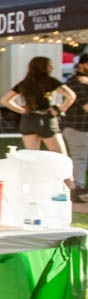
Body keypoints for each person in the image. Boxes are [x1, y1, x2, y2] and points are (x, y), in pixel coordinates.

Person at [0, 56, 75, 155]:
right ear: (43, 67)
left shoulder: (24, 83)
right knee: (60, 156)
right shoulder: (50, 81)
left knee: (32, 156)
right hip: (45, 118)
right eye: (49, 65)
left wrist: (22, 111)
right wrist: (60, 109)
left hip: (28, 120)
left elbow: (5, 100)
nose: (51, 68)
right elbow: (71, 96)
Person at [62, 53, 88, 201]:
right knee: (79, 157)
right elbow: (86, 106)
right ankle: (76, 189)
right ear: (82, 65)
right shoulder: (76, 82)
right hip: (76, 126)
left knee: (81, 157)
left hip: (81, 126)